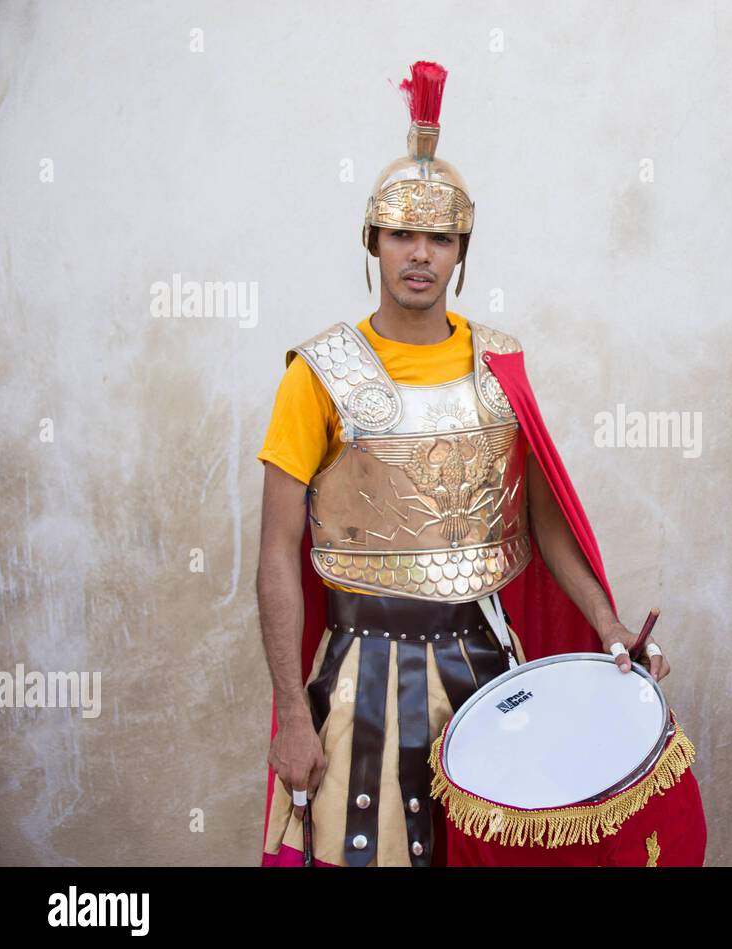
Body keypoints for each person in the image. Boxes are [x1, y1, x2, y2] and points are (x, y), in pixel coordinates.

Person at [256, 61, 683, 866]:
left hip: (490, 666)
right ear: (373, 242)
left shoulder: (500, 365)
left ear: (462, 249)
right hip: (363, 675)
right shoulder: (318, 374)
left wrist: (606, 624)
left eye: (440, 237)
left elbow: (541, 518)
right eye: (402, 235)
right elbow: (278, 550)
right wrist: (291, 711)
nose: (420, 254)